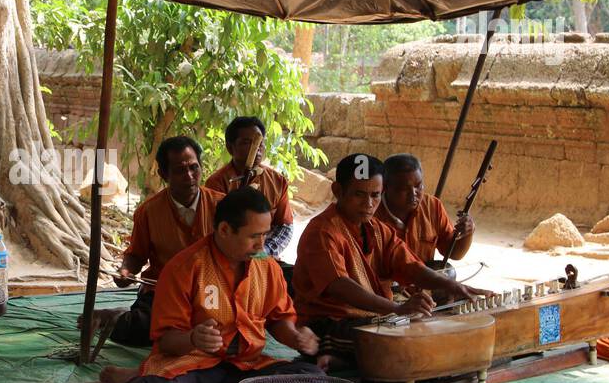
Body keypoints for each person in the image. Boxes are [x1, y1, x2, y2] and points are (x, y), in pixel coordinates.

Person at [109, 188, 323, 383]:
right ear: (224, 230)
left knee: (314, 378)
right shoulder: (185, 267)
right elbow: (166, 340)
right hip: (195, 365)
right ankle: (135, 381)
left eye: (265, 235)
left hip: (246, 365)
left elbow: (278, 318)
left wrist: (296, 337)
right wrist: (193, 338)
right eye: (254, 236)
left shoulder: (268, 266)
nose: (261, 245)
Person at [292, 153, 486, 369]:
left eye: (375, 195)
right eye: (359, 194)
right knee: (405, 346)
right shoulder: (322, 231)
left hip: (373, 318)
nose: (369, 204)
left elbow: (411, 267)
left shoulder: (378, 229)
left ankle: (344, 361)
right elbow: (339, 286)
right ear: (338, 191)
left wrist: (453, 286)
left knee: (432, 333)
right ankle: (332, 354)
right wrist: (397, 309)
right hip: (329, 322)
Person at [108, 136, 223, 348]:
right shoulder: (148, 211)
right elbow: (136, 255)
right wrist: (125, 271)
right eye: (180, 170)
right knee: (141, 330)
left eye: (194, 167)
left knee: (227, 328)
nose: (189, 176)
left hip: (212, 291)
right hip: (165, 291)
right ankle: (117, 316)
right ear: (163, 174)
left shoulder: (223, 206)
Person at [204, 115, 295, 266]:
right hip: (228, 259)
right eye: (247, 142)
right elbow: (216, 230)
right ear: (230, 148)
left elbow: (285, 227)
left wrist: (262, 253)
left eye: (260, 143)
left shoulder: (277, 181)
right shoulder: (217, 183)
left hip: (264, 256)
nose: (256, 148)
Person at [375, 153, 475, 267]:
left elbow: (454, 253)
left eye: (418, 186)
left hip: (424, 277)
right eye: (404, 189)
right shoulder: (372, 213)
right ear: (385, 187)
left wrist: (468, 232)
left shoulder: (432, 206)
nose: (413, 194)